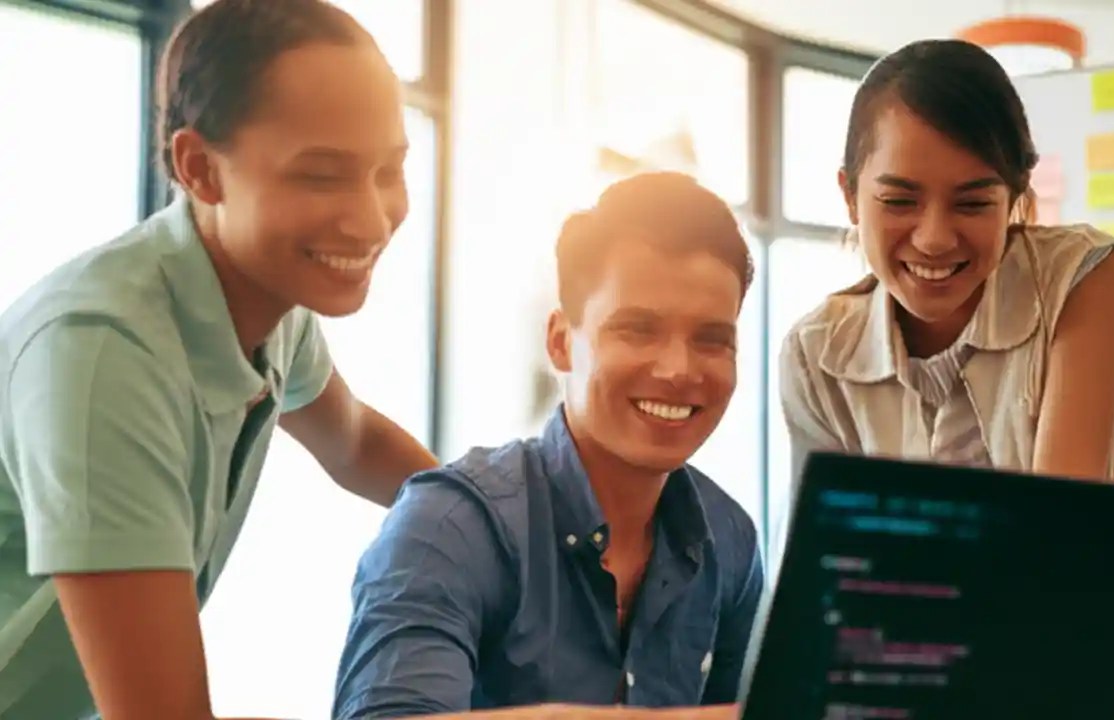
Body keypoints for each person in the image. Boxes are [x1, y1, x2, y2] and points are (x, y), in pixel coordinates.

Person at [0, 1, 442, 718]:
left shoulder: (271, 302)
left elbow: (354, 441)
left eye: (388, 170)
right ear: (201, 169)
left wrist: (509, 529)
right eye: (322, 176)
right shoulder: (102, 352)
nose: (371, 218)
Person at [777, 39, 1114, 720]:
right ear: (848, 194)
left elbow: (1057, 531)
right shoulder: (816, 353)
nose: (933, 238)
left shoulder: (1082, 277)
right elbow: (830, 577)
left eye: (973, 203)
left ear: (1017, 195)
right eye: (899, 200)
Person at [332, 172, 764, 718]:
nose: (678, 370)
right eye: (638, 330)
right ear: (561, 342)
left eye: (711, 339)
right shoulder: (447, 525)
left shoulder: (731, 542)